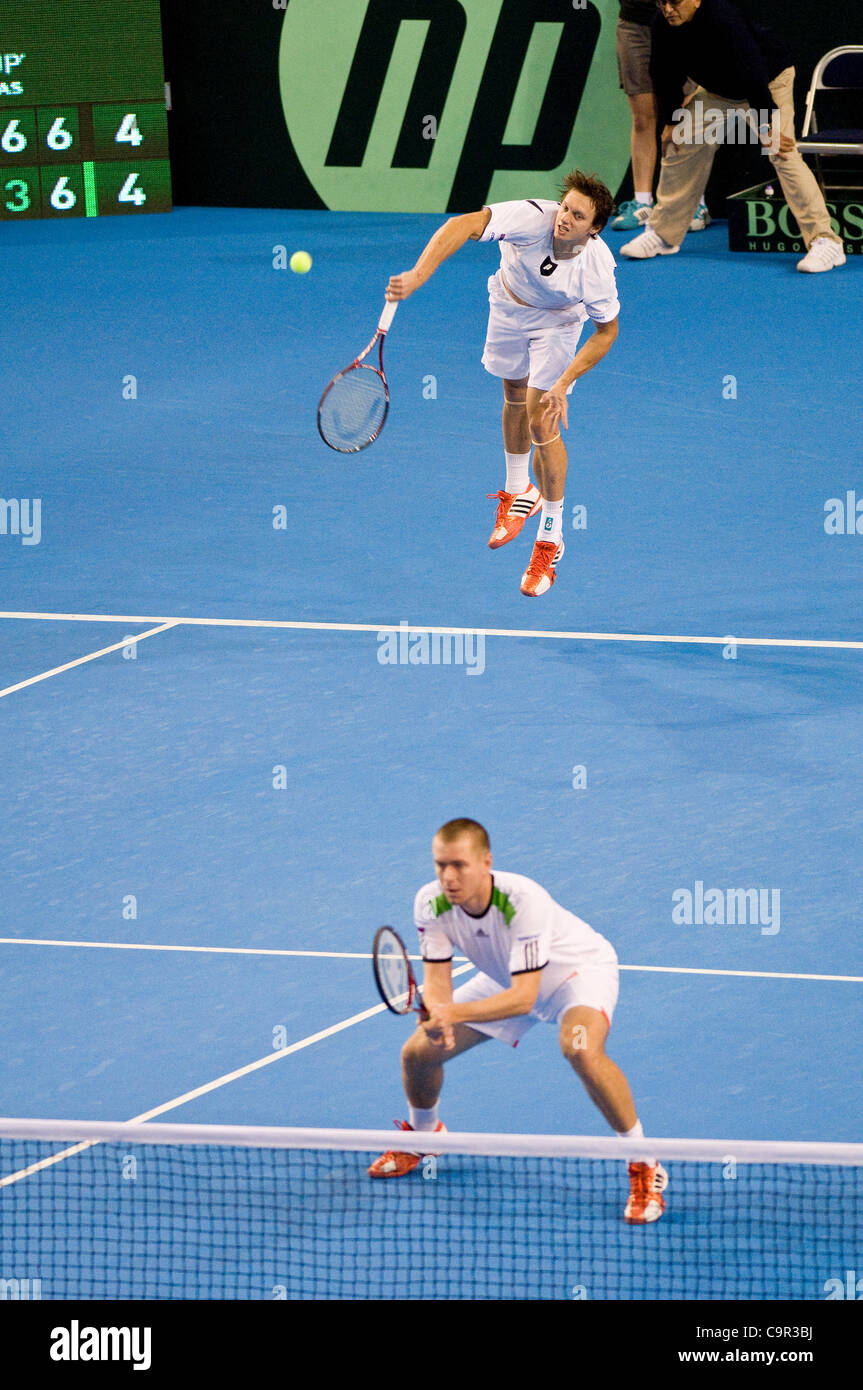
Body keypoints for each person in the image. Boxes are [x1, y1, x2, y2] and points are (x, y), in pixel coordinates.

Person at [368, 818, 667, 1224]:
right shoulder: (430, 902)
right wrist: (439, 1017)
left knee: (579, 1048)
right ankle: (425, 1136)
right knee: (418, 1052)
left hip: (576, 975)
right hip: (506, 975)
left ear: (486, 862)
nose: (448, 877)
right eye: (440, 866)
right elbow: (437, 983)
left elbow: (525, 998)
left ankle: (644, 1162)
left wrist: (453, 1012)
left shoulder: (523, 900)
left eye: (459, 865)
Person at [385, 173, 619, 597]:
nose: (564, 218)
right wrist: (420, 274)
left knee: (541, 420)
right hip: (508, 306)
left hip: (558, 324)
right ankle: (518, 491)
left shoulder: (596, 268)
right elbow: (464, 224)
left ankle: (550, 537)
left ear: (595, 228)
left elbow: (606, 332)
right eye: (565, 207)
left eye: (578, 215)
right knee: (513, 394)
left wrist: (564, 383)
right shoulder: (533, 218)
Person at [621, 0, 846, 272]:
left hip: (768, 82)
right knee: (680, 142)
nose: (668, 9)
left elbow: (752, 69)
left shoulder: (723, 17)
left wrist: (766, 124)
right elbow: (664, 72)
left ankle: (826, 242)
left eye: (675, 1)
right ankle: (663, 235)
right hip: (718, 92)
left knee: (781, 151)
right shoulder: (663, 24)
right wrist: (670, 121)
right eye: (661, 2)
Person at [611, 0, 710, 233]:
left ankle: (696, 202)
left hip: (680, 20)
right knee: (642, 119)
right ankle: (643, 203)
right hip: (634, 24)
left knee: (686, 115)